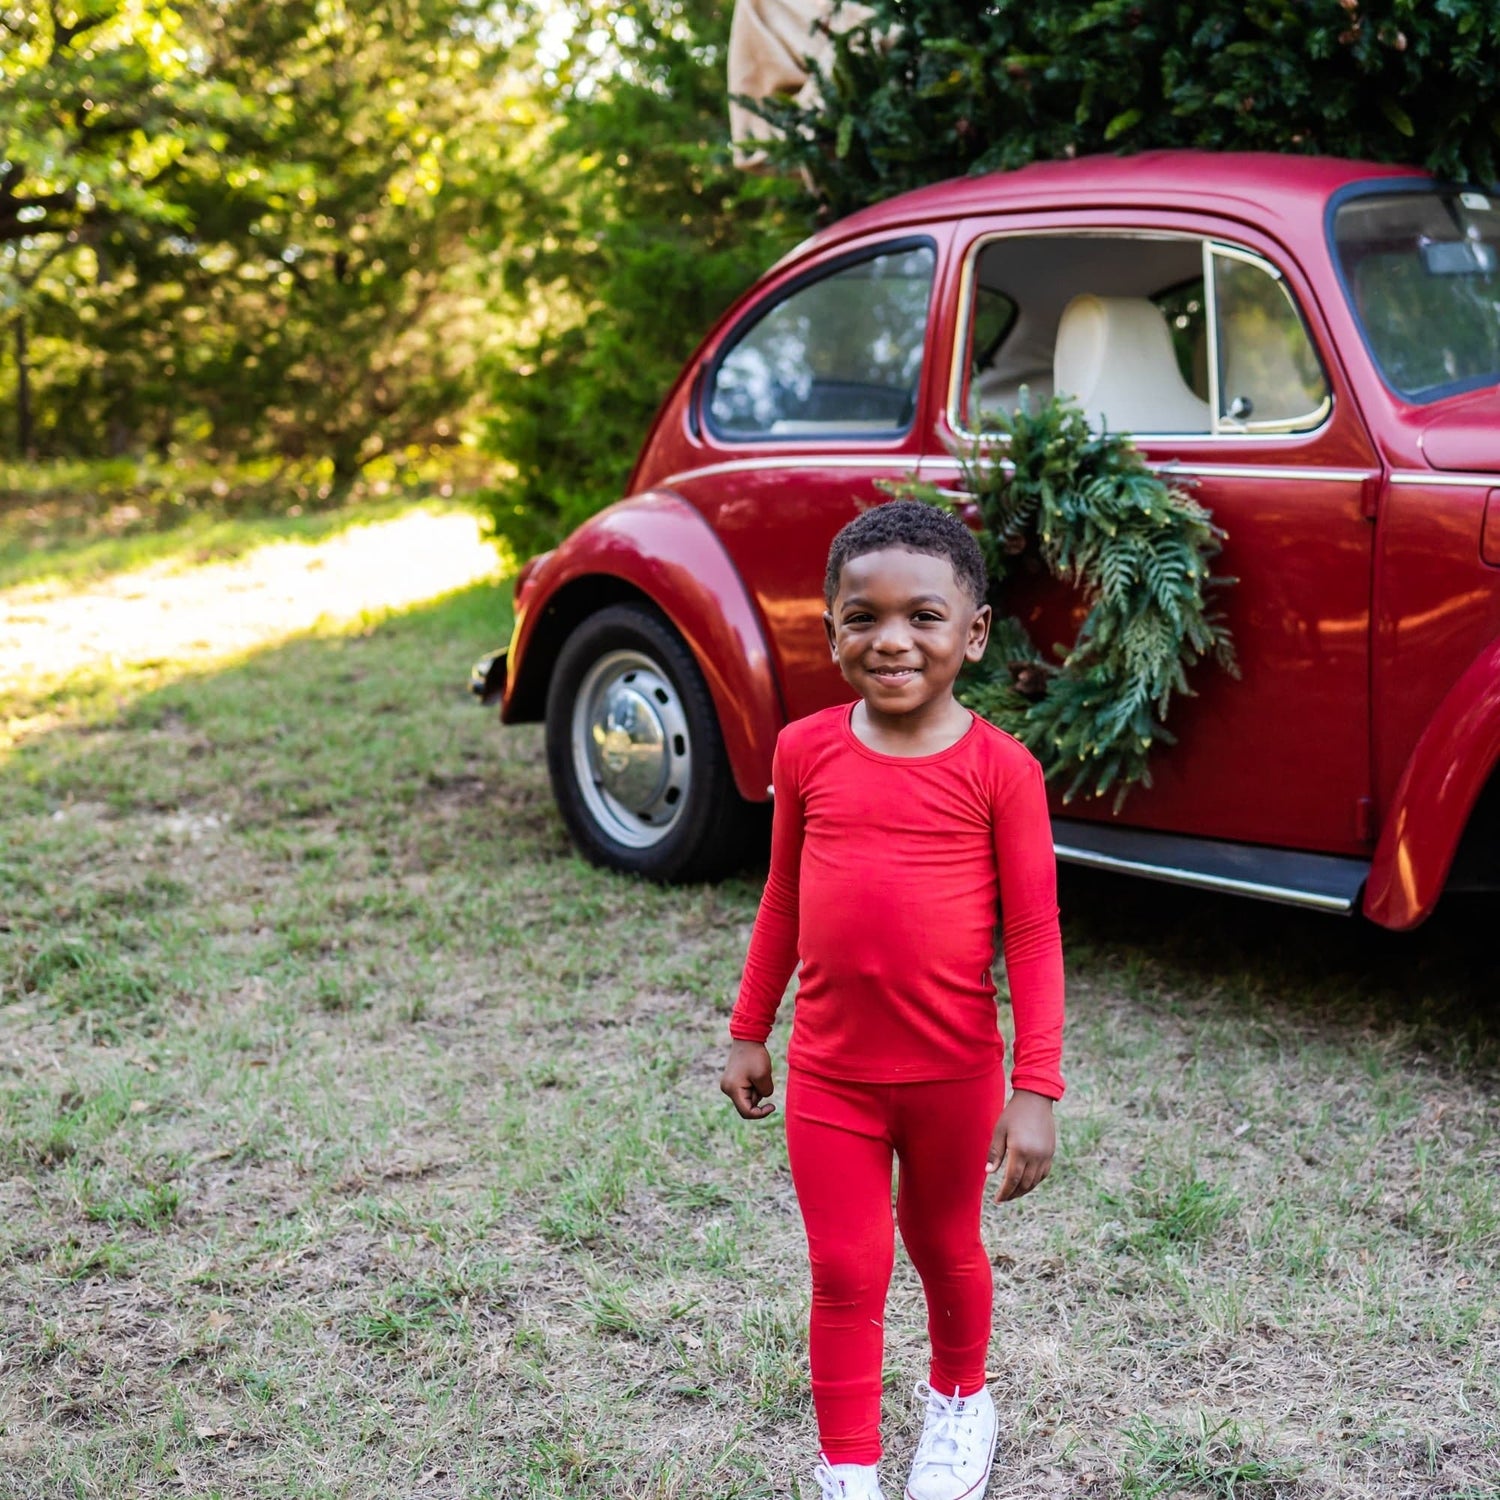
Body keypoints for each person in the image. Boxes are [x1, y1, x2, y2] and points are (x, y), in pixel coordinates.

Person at [719, 500, 1066, 1500]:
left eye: (923, 616)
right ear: (830, 628)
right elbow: (784, 897)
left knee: (944, 1245)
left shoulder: (1003, 771)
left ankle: (960, 1403)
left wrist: (1036, 1087)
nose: (892, 640)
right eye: (862, 617)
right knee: (845, 1269)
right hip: (832, 1076)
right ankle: (848, 1470)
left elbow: (1034, 937)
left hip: (955, 1075)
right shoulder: (805, 751)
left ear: (974, 632)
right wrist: (750, 1028)